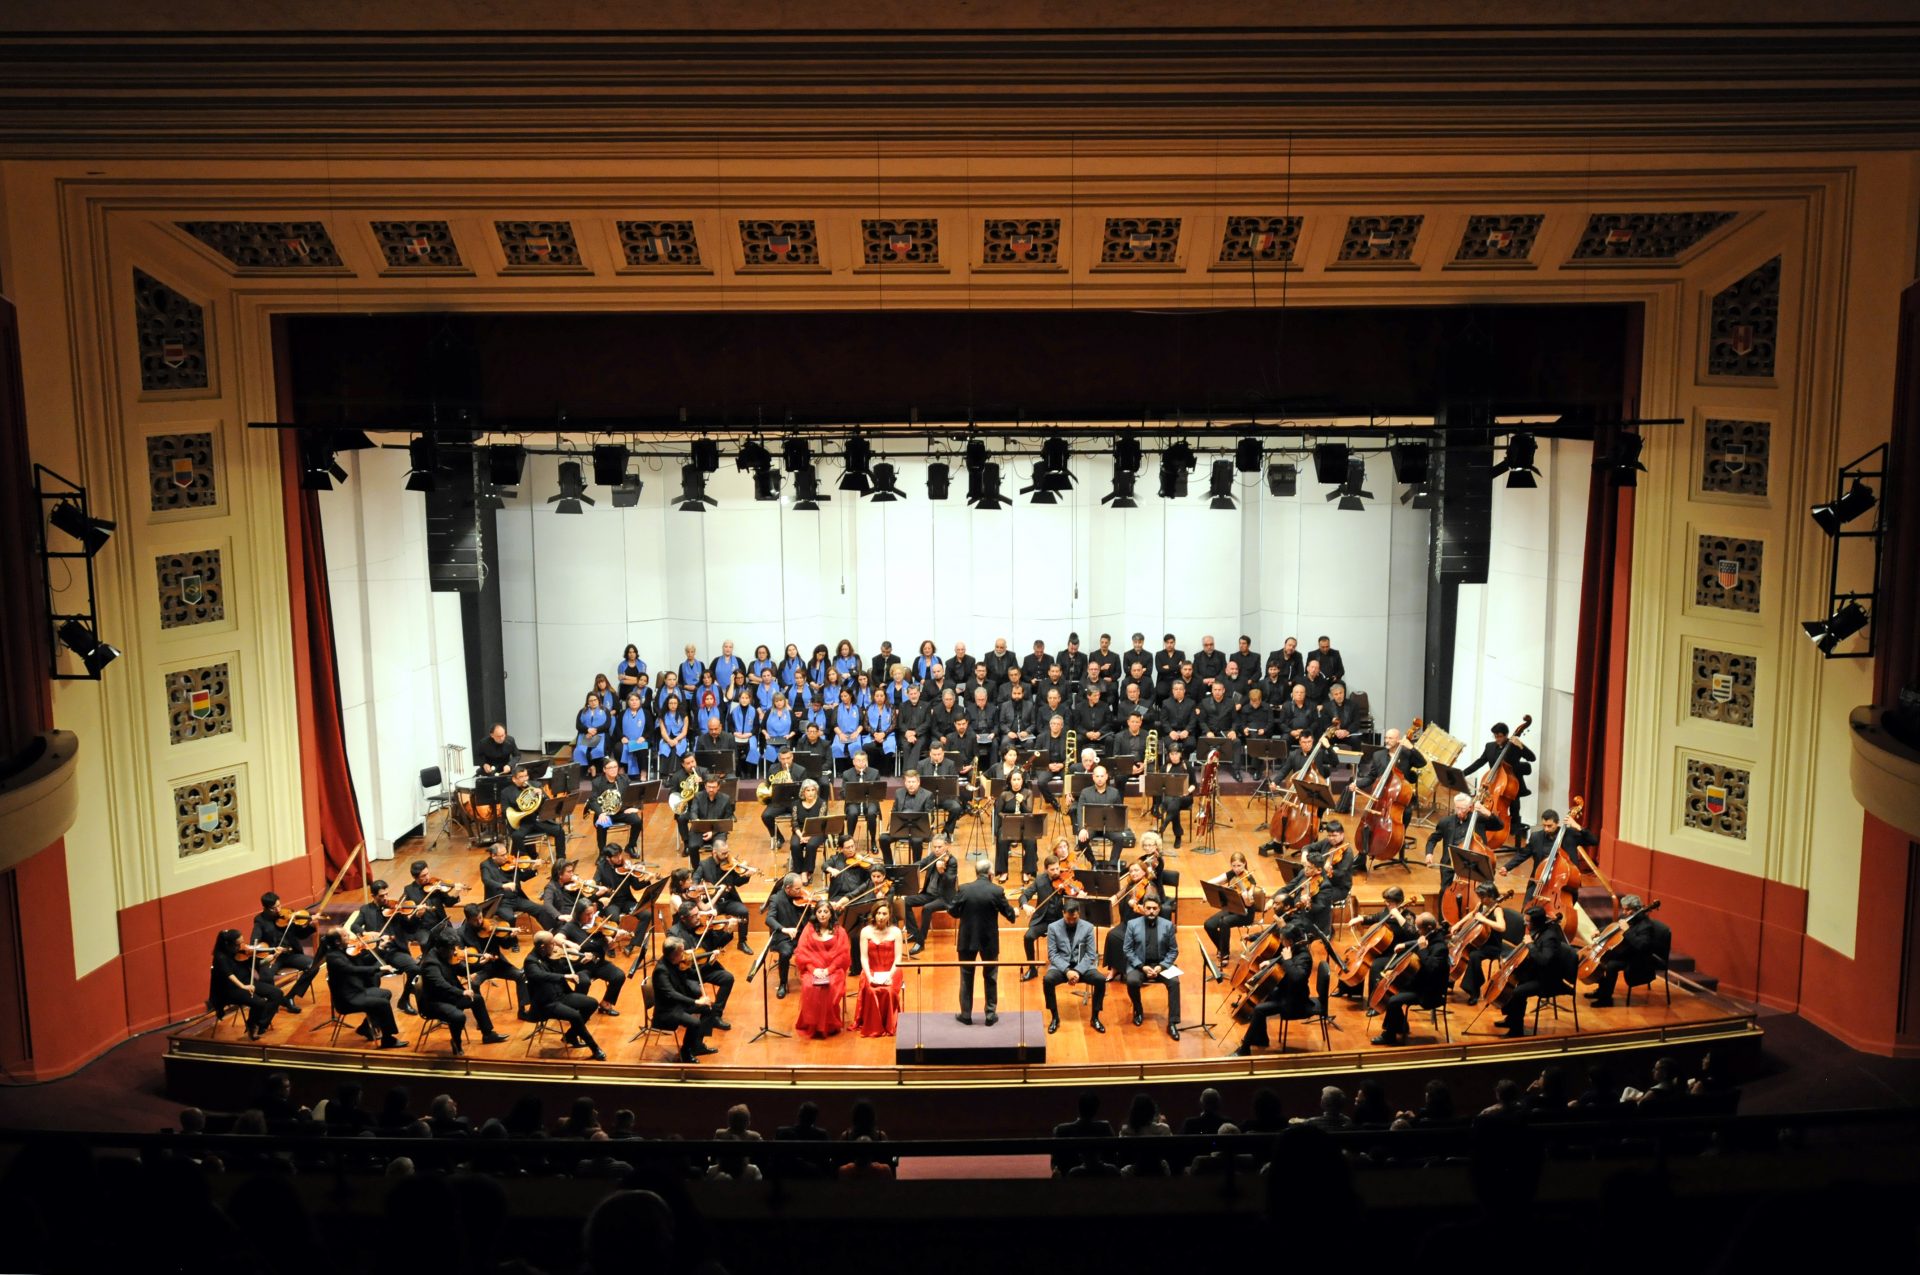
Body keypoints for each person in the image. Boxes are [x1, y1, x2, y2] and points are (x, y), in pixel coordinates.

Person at [1230, 922, 1321, 1056]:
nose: (1281, 942)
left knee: (1259, 1010)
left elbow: (1297, 978)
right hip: (1286, 992)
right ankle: (1261, 1038)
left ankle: (1244, 1049)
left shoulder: (1304, 957)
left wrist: (1287, 960)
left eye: (1282, 939)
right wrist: (1273, 962)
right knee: (1261, 999)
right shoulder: (1293, 949)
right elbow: (1285, 963)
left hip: (1295, 1001)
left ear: (1289, 941)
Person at [418, 933, 509, 1056]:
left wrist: (480, 964)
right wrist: (462, 992)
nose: (455, 952)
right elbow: (440, 984)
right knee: (458, 1016)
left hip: (449, 996)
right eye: (452, 949)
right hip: (435, 1001)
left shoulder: (446, 956)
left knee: (477, 1000)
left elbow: (461, 971)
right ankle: (456, 1042)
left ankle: (488, 1034)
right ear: (442, 949)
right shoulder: (431, 964)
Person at [953, 857, 1018, 1026]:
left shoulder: (964, 889)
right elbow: (1009, 915)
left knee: (966, 977)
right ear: (990, 874)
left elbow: (952, 911)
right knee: (990, 976)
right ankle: (990, 1015)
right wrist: (1015, 912)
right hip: (989, 940)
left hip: (967, 939)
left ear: (976, 873)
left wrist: (966, 915)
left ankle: (966, 1015)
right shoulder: (996, 891)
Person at [1372, 912, 1452, 1046]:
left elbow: (1431, 969)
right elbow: (1421, 940)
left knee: (1393, 1000)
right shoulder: (1432, 935)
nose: (1417, 930)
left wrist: (1422, 949)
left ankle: (1389, 1035)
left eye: (1419, 928)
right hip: (1420, 982)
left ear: (1428, 928)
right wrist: (1405, 945)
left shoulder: (1440, 948)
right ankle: (1400, 1025)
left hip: (1430, 991)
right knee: (1393, 989)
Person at [525, 932, 606, 1059]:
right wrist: (564, 977)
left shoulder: (551, 955)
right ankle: (595, 1048)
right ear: (542, 947)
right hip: (547, 1003)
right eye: (551, 943)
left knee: (592, 1004)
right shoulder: (531, 962)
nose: (555, 946)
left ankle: (570, 1036)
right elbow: (540, 976)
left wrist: (584, 960)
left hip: (562, 996)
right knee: (575, 1016)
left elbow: (566, 967)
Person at [1498, 907, 1576, 1038]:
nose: (1525, 923)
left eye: (1527, 921)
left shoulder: (1550, 938)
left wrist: (1530, 945)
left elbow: (1544, 960)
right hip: (1537, 973)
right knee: (1515, 980)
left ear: (1537, 922)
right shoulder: (1539, 930)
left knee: (1518, 992)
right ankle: (1511, 1020)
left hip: (1548, 979)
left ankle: (1517, 1030)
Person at [318, 930, 404, 1048]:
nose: (349, 936)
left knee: (386, 994)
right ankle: (388, 1039)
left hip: (357, 990)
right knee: (382, 1003)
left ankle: (365, 1028)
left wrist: (380, 948)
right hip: (347, 998)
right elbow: (352, 969)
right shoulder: (333, 958)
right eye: (345, 935)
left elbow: (362, 962)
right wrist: (379, 969)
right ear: (337, 942)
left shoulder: (343, 951)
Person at [1586, 894, 1670, 1007]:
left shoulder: (1646, 926)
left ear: (1636, 909)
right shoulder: (1631, 918)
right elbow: (1616, 927)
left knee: (1611, 965)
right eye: (1623, 909)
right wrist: (1600, 931)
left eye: (1627, 909)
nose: (1624, 912)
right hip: (1627, 951)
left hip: (1638, 958)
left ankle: (1606, 999)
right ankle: (1602, 991)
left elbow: (1642, 947)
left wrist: (1627, 931)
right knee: (1603, 959)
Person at [208, 928, 292, 1039]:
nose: (243, 946)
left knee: (277, 993)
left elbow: (261, 962)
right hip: (231, 989)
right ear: (228, 945)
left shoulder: (242, 952)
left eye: (243, 942)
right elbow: (229, 975)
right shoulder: (220, 957)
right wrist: (244, 986)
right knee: (259, 1002)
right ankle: (253, 1026)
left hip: (248, 982)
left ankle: (259, 1024)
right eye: (238, 944)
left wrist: (275, 955)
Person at [1503, 807, 1600, 902]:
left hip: (1564, 885)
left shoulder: (1570, 834)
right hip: (1540, 881)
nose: (1546, 829)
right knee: (1527, 909)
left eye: (1549, 826)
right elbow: (1522, 854)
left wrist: (1578, 827)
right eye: (1544, 825)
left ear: (1557, 823)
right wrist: (1507, 867)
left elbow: (1593, 841)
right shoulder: (1536, 837)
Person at [651, 937, 722, 1063]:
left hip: (680, 1004)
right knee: (694, 1023)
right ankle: (686, 1052)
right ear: (674, 954)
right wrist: (695, 1001)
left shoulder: (678, 962)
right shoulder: (661, 971)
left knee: (710, 1008)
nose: (685, 953)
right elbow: (671, 994)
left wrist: (709, 963)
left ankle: (697, 1046)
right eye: (682, 951)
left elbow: (694, 974)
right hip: (668, 1010)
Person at [1462, 721, 1536, 840]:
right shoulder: (1489, 746)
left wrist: (1521, 745)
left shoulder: (1515, 746)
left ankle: (1514, 828)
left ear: (1506, 735)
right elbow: (1480, 762)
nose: (1497, 739)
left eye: (1500, 736)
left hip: (1512, 783)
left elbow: (1532, 758)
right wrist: (1463, 773)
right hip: (1495, 781)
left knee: (1514, 805)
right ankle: (1487, 824)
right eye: (1495, 736)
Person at [1042, 899, 1107, 1034]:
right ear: (1063, 913)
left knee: (1100, 980)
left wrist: (1077, 971)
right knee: (1047, 980)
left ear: (1079, 914)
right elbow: (1052, 955)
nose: (1071, 921)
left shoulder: (1088, 927)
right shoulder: (1053, 927)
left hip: (1082, 966)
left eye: (1074, 918)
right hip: (1061, 967)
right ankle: (1055, 1017)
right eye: (1068, 919)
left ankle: (1095, 1017)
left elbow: (1090, 954)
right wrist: (1067, 971)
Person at [1122, 895, 1182, 1039]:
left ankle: (1173, 1022)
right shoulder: (1132, 924)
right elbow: (1127, 949)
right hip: (1139, 965)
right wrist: (1142, 966)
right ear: (1143, 908)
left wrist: (1162, 966)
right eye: (1148, 908)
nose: (1151, 911)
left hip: (1161, 965)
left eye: (1154, 908)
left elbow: (1173, 950)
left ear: (1159, 909)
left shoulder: (1168, 925)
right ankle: (1138, 1009)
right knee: (1132, 981)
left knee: (1175, 982)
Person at [792, 900, 850, 1039]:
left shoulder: (839, 931)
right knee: (810, 986)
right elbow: (802, 952)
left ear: (831, 914)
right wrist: (814, 970)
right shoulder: (808, 929)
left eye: (825, 912)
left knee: (829, 987)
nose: (822, 915)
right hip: (813, 969)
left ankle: (828, 1025)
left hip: (833, 969)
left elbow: (843, 955)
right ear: (815, 913)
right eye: (819, 912)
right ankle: (812, 1023)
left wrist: (828, 970)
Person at [1424, 791, 1503, 893]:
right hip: (1450, 864)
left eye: (1462, 808)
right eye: (1457, 808)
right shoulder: (1446, 822)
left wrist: (1485, 811)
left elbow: (1499, 825)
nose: (1459, 811)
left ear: (1470, 808)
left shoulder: (1478, 820)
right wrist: (1429, 853)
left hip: (1473, 866)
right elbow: (1432, 839)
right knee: (1445, 892)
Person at [248, 892, 319, 998]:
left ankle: (290, 996)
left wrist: (310, 926)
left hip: (291, 954)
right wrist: (269, 952)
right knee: (266, 976)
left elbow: (300, 935)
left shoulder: (288, 915)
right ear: (265, 908)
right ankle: (273, 1002)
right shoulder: (260, 921)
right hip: (274, 957)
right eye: (273, 908)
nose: (278, 910)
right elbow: (254, 942)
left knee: (313, 966)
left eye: (279, 905)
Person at [481, 840, 561, 930]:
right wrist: (503, 885)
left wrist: (533, 869)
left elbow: (523, 877)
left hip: (516, 898)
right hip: (501, 902)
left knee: (541, 909)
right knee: (510, 918)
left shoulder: (511, 863)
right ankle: (512, 942)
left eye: (506, 853)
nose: (506, 857)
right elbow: (486, 881)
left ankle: (553, 932)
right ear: (493, 856)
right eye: (502, 855)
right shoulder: (486, 865)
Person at [692, 842, 755, 954]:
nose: (727, 855)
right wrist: (701, 887)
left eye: (727, 852)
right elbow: (695, 880)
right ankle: (713, 944)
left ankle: (742, 942)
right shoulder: (704, 864)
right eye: (723, 853)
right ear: (714, 852)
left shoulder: (730, 864)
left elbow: (737, 882)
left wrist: (747, 875)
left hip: (729, 900)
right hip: (714, 902)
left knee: (743, 911)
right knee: (711, 917)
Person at [902, 837, 960, 956]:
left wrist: (941, 871)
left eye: (940, 847)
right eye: (935, 847)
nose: (937, 850)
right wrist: (910, 869)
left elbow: (949, 881)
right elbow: (921, 863)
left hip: (944, 897)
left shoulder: (952, 861)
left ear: (946, 846)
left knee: (927, 908)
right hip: (929, 894)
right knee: (905, 901)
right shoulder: (933, 856)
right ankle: (915, 933)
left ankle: (920, 942)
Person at [857, 900, 905, 1037]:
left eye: (884, 913)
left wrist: (889, 976)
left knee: (889, 991)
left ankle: (889, 1024)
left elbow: (898, 958)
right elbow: (864, 958)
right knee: (872, 990)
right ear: (874, 915)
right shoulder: (865, 931)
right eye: (878, 913)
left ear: (889, 915)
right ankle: (874, 1027)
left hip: (892, 970)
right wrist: (869, 976)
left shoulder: (896, 932)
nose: (881, 916)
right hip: (871, 970)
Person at [879, 769, 936, 864]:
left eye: (913, 782)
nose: (911, 784)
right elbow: (894, 811)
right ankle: (888, 865)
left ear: (918, 782)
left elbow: (931, 816)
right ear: (905, 783)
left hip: (919, 831)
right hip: (900, 829)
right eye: (908, 782)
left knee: (916, 841)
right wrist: (891, 825)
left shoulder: (927, 795)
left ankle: (916, 865)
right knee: (883, 838)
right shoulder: (899, 793)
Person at [590, 756, 643, 854]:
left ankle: (630, 846)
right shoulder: (597, 782)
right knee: (601, 825)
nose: (614, 770)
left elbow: (635, 794)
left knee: (637, 821)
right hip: (606, 813)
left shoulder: (624, 779)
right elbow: (592, 801)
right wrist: (601, 813)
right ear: (604, 769)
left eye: (615, 767)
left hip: (622, 811)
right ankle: (603, 853)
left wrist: (634, 808)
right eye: (610, 767)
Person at [788, 776, 830, 880]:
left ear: (816, 791)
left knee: (811, 845)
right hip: (800, 832)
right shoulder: (795, 805)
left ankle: (806, 871)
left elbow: (820, 822)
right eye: (808, 790)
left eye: (813, 790)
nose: (811, 793)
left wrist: (809, 836)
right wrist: (801, 835)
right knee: (794, 845)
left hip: (818, 832)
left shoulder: (822, 803)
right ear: (803, 792)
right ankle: (798, 870)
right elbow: (794, 823)